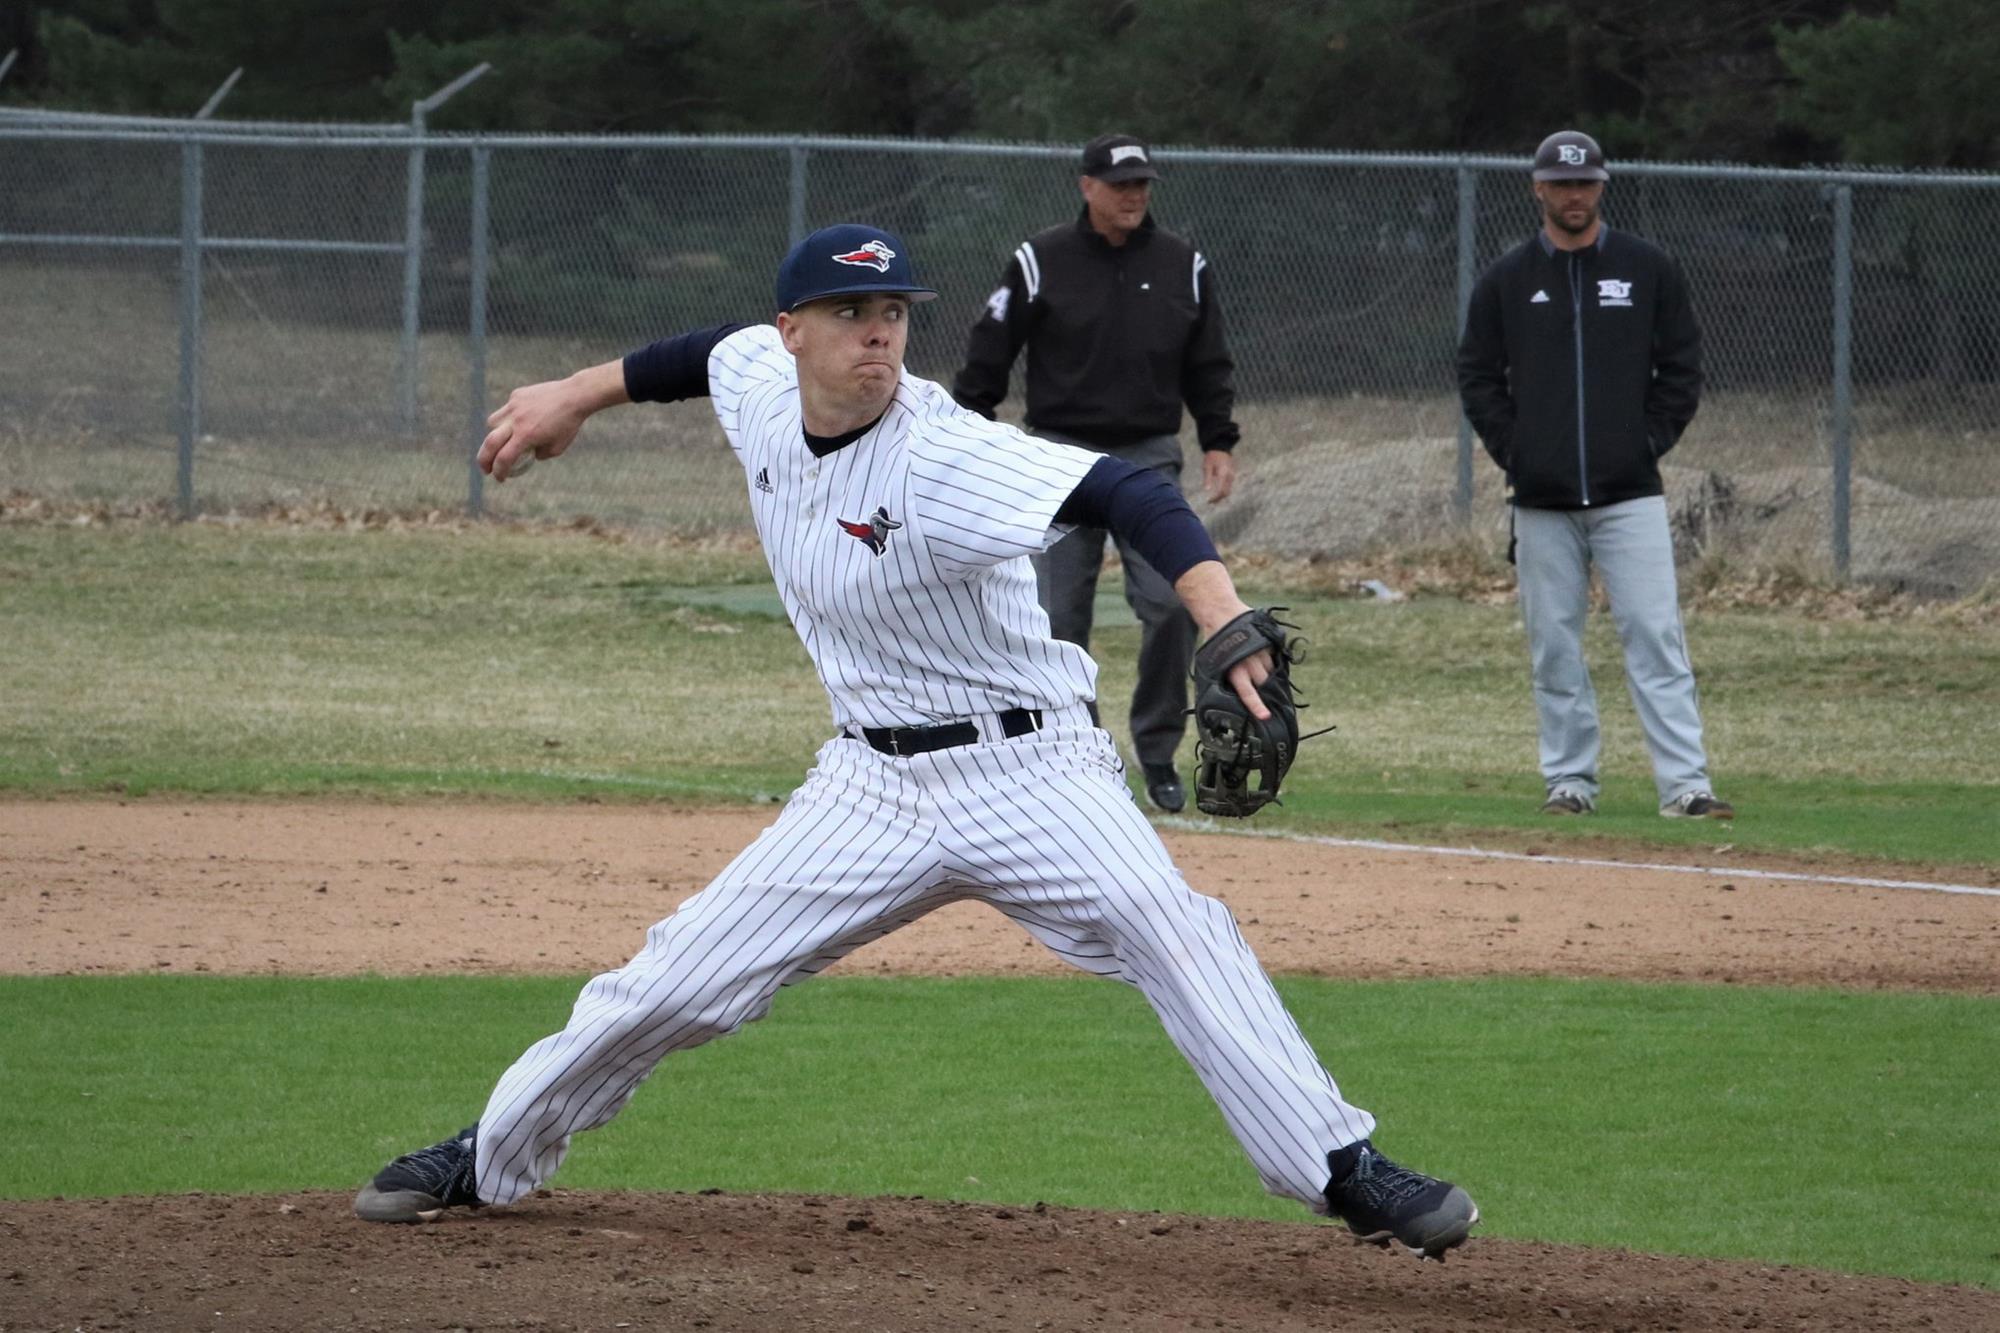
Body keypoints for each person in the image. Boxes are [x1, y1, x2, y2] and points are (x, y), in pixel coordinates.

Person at [353, 222, 1477, 1262]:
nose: (876, 331)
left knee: (1170, 930)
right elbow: (695, 354)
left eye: (890, 310)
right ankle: (490, 1153)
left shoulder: (940, 453)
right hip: (869, 784)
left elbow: (1131, 491)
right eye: (848, 313)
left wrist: (1220, 615)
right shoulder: (758, 377)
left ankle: (1342, 1167)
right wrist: (571, 394)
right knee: (669, 982)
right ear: (791, 332)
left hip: (1030, 772)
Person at [952, 133, 1241, 815]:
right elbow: (989, 351)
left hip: (1147, 455)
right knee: (1057, 619)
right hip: (1056, 455)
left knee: (1173, 604)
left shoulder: (1182, 264)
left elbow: (1210, 361)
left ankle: (1158, 750)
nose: (1133, 195)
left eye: (1143, 184)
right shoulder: (1040, 259)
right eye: (1120, 185)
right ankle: (1076, 754)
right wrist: (964, 432)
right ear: (1087, 187)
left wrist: (1218, 438)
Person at [1457, 130, 1734, 820]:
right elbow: (1477, 375)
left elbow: (1682, 370)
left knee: (1655, 635)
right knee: (1555, 645)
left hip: (1629, 493)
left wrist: (1644, 443)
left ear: (1601, 187)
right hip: (1543, 499)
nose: (1574, 195)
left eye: (1585, 183)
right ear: (1538, 189)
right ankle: (1570, 783)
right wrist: (1517, 451)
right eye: (1561, 183)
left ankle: (1685, 786)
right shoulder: (1508, 279)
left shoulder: (1647, 269)